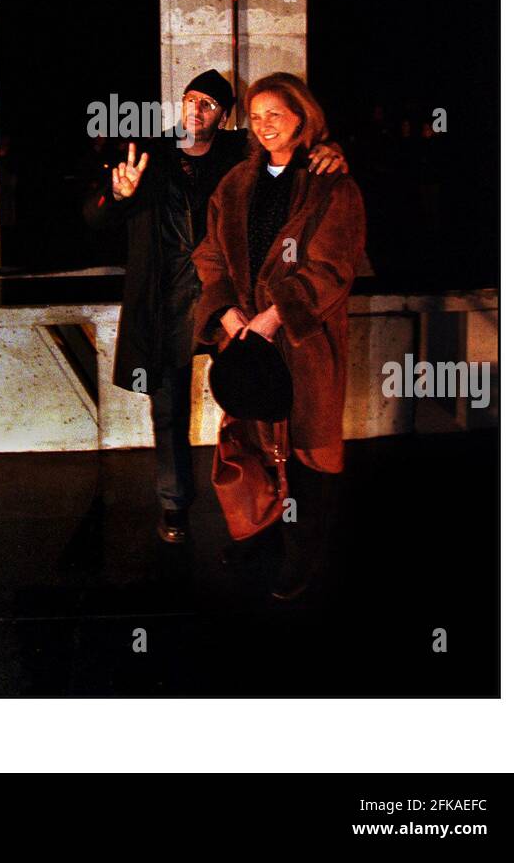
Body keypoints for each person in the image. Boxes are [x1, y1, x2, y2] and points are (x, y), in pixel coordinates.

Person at [83, 69, 347, 545]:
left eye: (208, 104)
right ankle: (174, 503)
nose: (195, 111)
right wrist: (118, 195)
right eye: (189, 100)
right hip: (164, 305)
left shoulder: (241, 156)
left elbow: (297, 145)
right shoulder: (148, 153)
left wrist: (333, 151)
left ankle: (260, 517)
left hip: (227, 306)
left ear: (224, 116)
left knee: (250, 413)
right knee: (167, 411)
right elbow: (93, 215)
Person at [192, 73, 365, 599]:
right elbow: (210, 256)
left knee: (305, 453)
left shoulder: (332, 185)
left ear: (302, 118)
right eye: (257, 114)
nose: (265, 125)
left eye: (277, 115)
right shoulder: (236, 182)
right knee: (250, 443)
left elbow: (331, 268)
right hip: (242, 339)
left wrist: (271, 318)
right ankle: (258, 536)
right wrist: (225, 315)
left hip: (302, 343)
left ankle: (300, 554)